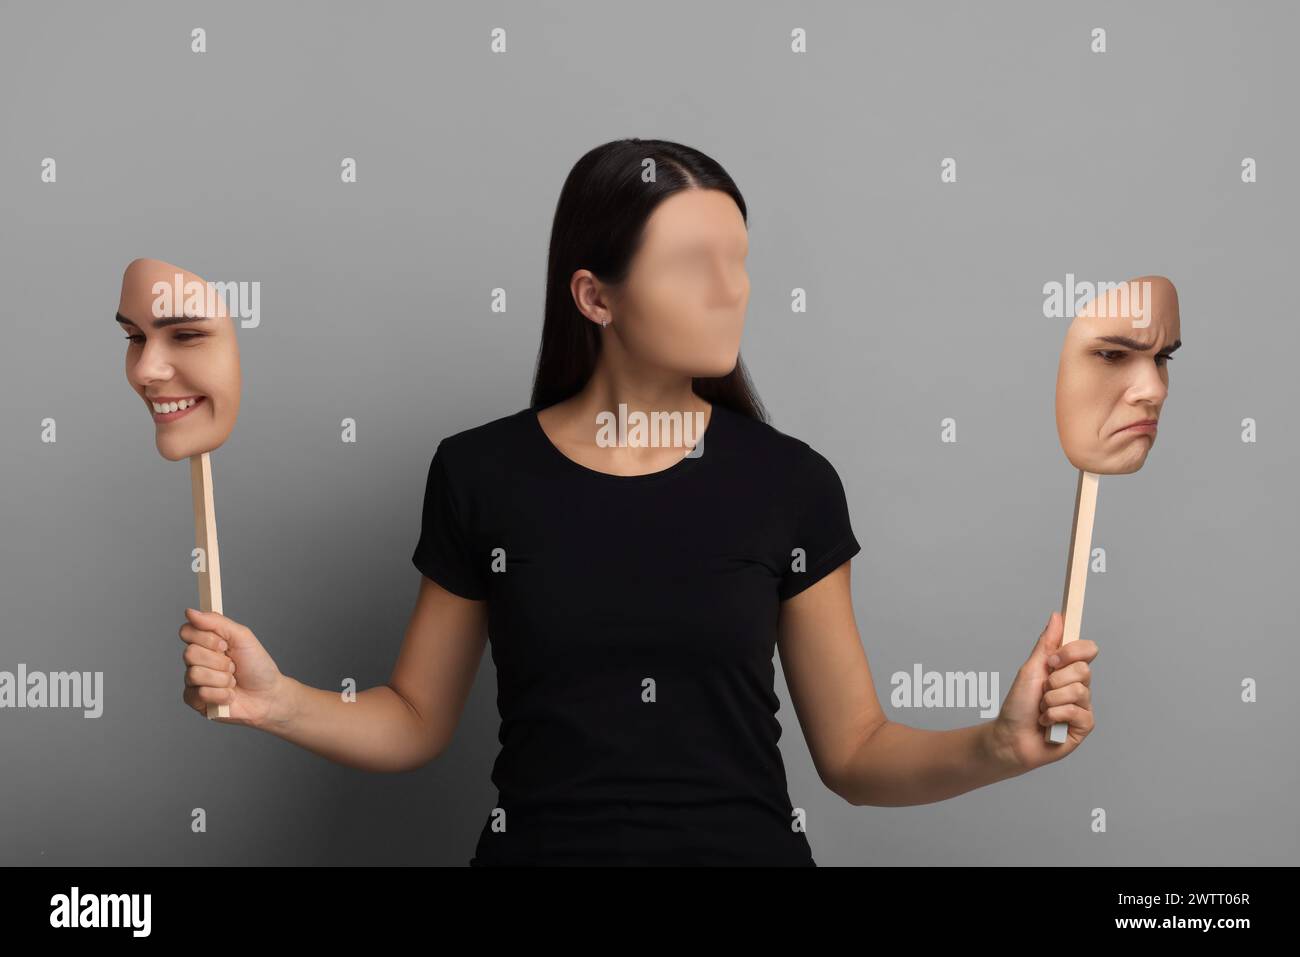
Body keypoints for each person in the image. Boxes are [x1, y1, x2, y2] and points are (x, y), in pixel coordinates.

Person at [177, 138, 1098, 866]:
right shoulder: (478, 473)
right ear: (594, 294)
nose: (732, 290)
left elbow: (855, 752)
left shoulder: (790, 482)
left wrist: (999, 745)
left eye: (739, 259)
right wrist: (277, 701)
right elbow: (416, 720)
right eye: (693, 262)